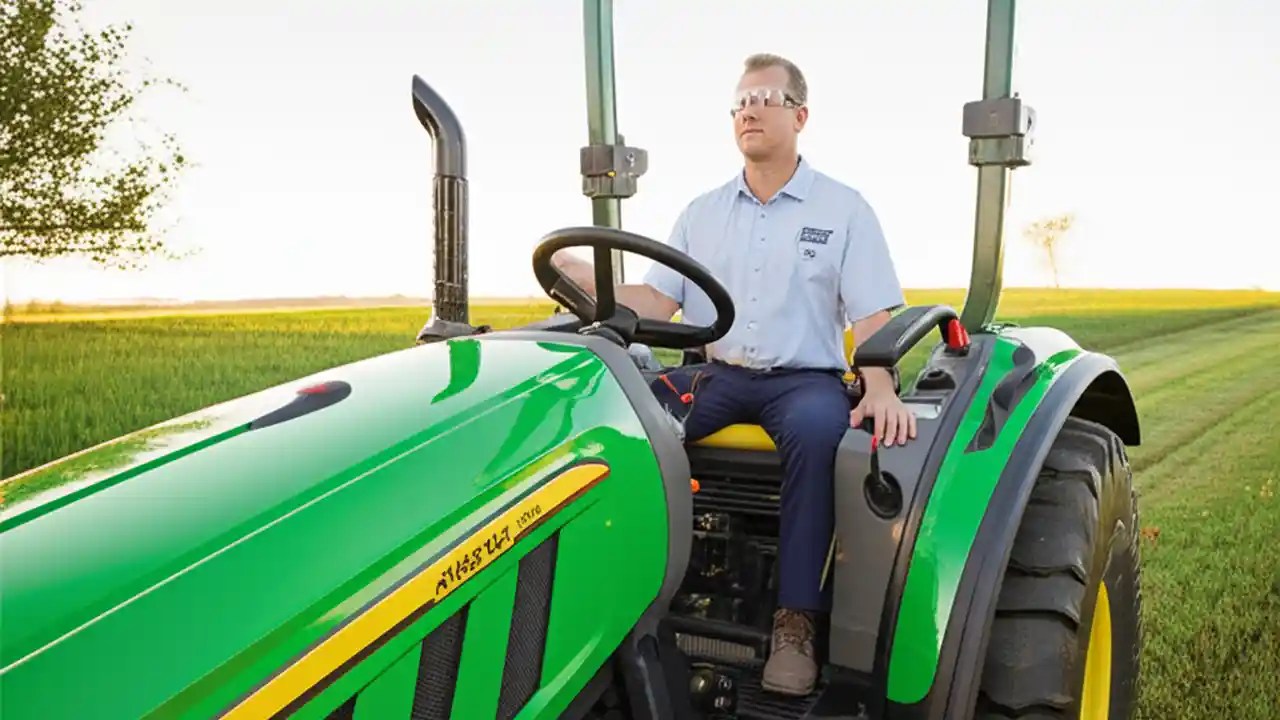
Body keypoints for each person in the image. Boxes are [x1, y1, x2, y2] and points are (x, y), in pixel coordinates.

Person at [552, 52, 915, 696]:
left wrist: (879, 382)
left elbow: (873, 315)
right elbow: (658, 304)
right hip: (718, 378)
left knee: (816, 436)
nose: (749, 109)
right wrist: (587, 281)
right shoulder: (703, 211)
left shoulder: (843, 209)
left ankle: (795, 620)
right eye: (740, 101)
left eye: (766, 98)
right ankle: (627, 595)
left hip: (804, 381)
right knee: (628, 423)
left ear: (800, 116)